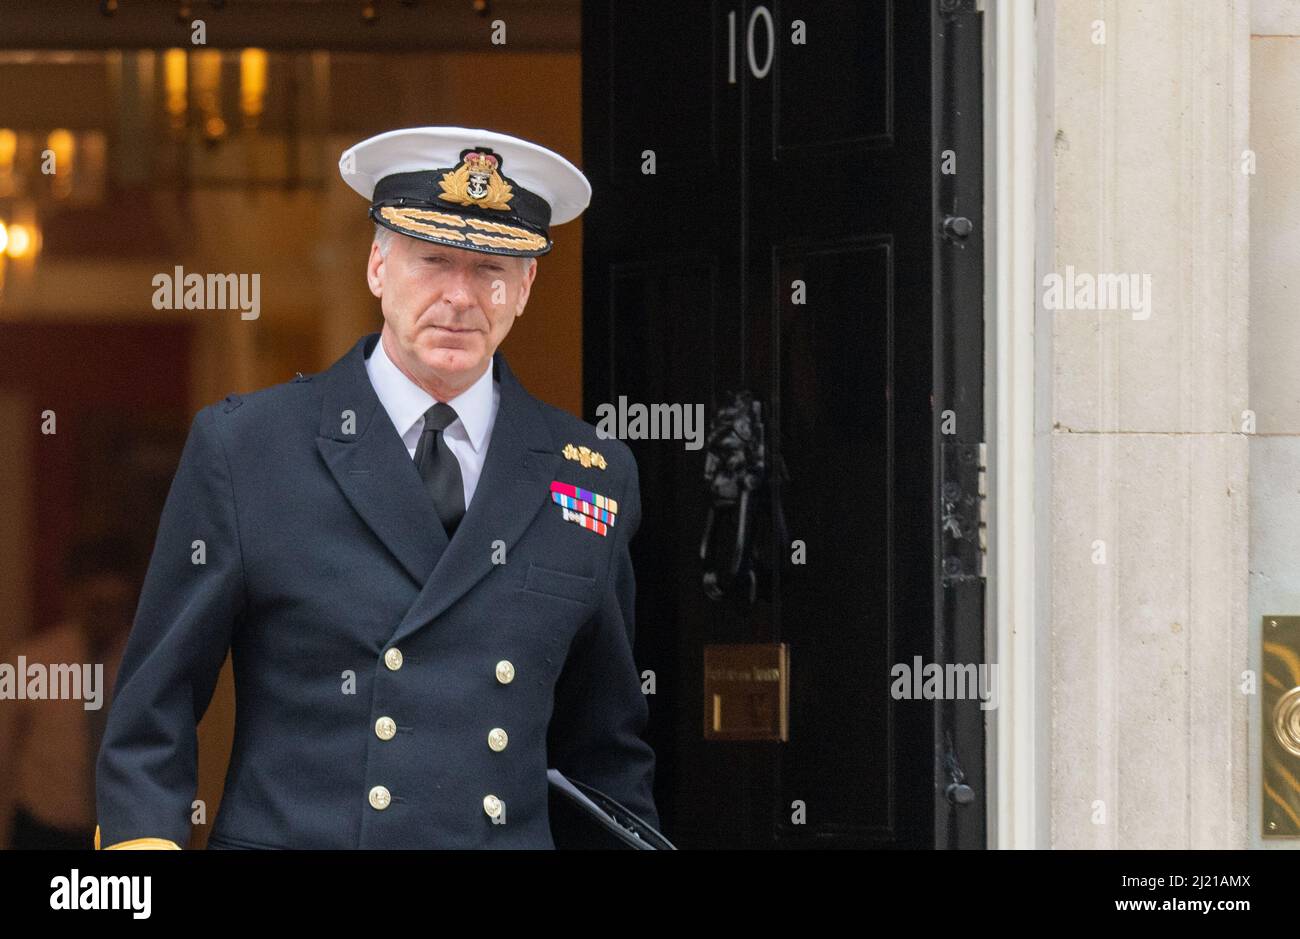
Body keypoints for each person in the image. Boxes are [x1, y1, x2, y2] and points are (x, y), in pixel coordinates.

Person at [93, 127, 657, 849]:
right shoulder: (249, 448)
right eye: (433, 260)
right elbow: (152, 713)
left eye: (490, 267)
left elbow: (605, 759)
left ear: (524, 286)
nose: (459, 295)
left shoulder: (592, 475)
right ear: (378, 266)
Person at [1, 533, 136, 849]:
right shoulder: (29, 663)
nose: (102, 616)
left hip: (120, 831)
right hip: (42, 830)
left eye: (111, 606)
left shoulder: (145, 665)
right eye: (95, 605)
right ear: (72, 594)